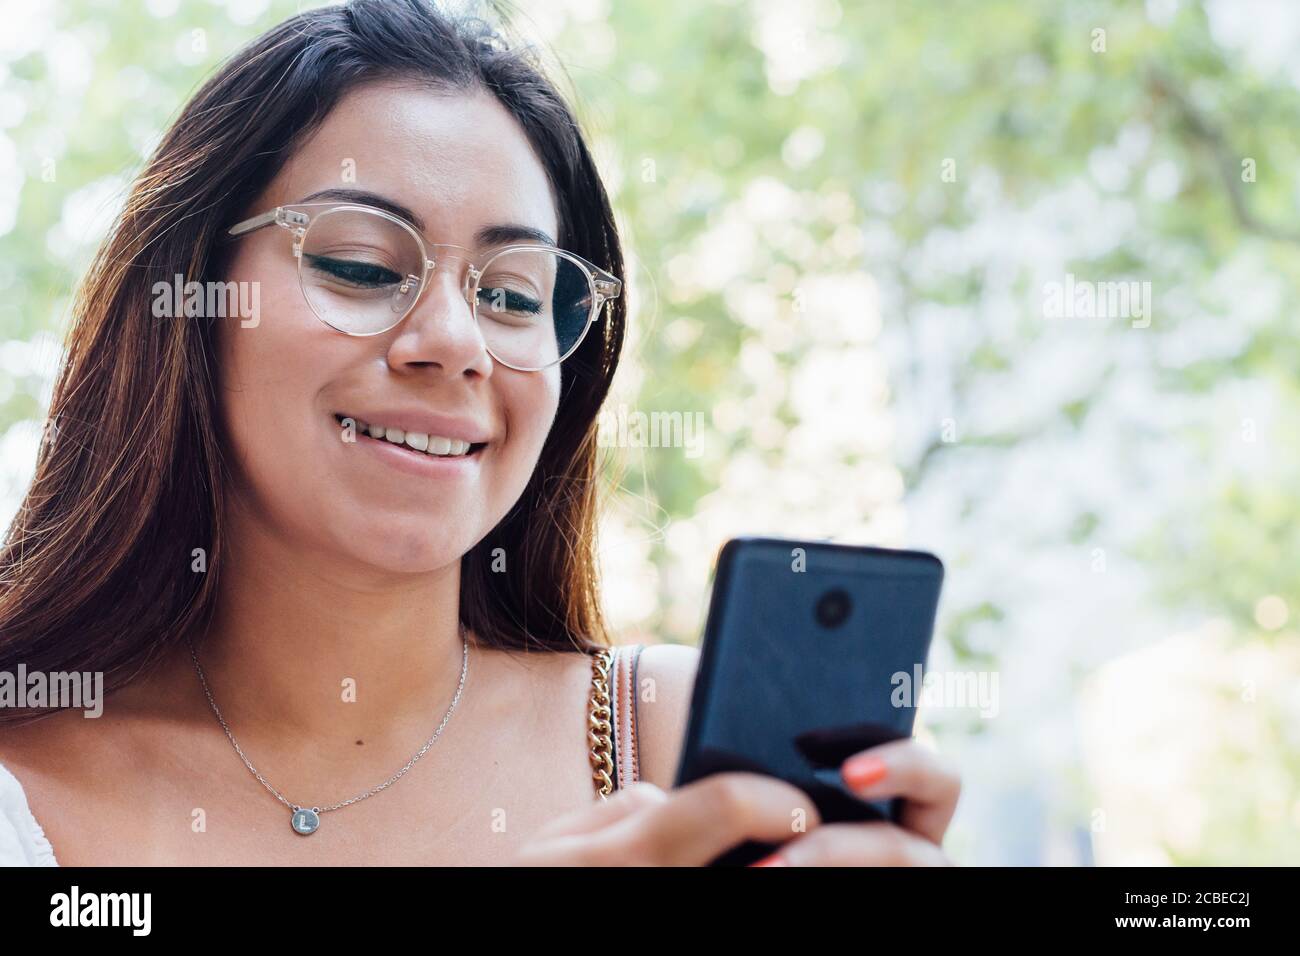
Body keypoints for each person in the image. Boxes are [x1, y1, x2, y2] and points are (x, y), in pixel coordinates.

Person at [0, 0, 958, 866]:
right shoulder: (23, 781)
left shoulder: (670, 756)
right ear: (194, 302)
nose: (455, 344)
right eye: (362, 266)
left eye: (510, 294)